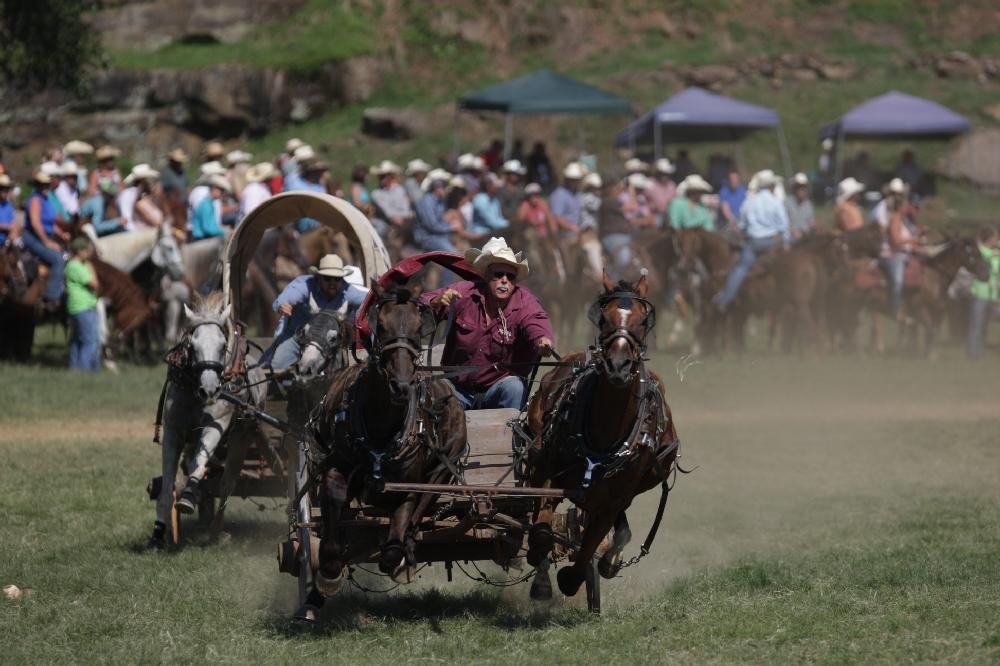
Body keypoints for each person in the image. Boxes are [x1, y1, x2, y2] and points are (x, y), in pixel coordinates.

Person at [420, 237, 554, 410]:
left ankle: (513, 436)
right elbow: (421, 302)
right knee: (435, 390)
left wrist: (543, 340)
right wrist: (435, 302)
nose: (504, 280)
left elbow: (536, 322)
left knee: (514, 387)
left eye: (510, 276)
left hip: (498, 389)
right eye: (498, 274)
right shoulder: (464, 292)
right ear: (486, 276)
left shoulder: (525, 301)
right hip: (457, 388)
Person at [264, 254, 367, 368]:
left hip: (329, 342)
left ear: (342, 280)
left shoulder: (348, 291)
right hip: (299, 337)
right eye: (327, 278)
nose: (332, 283)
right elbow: (285, 298)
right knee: (277, 365)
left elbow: (370, 298)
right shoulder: (305, 285)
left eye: (337, 279)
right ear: (318, 278)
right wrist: (283, 305)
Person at [715, 170, 790, 310]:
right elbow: (784, 226)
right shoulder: (776, 203)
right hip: (773, 242)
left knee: (741, 268)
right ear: (772, 186)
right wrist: (786, 243)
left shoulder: (749, 202)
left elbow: (742, 225)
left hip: (753, 242)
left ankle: (725, 299)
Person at [22, 170, 66, 308]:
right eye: (43, 185)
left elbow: (50, 223)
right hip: (34, 237)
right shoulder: (35, 199)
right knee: (58, 259)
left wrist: (61, 234)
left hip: (46, 235)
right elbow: (36, 223)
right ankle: (51, 296)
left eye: (47, 184)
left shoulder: (47, 200)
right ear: (37, 186)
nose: (46, 187)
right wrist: (47, 242)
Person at [65, 237, 101, 372]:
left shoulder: (75, 265)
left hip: (77, 307)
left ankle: (74, 369)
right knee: (90, 341)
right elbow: (94, 284)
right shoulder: (76, 266)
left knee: (77, 340)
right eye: (87, 250)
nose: (89, 253)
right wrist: (91, 268)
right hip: (83, 307)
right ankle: (86, 371)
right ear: (79, 251)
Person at [886, 199, 922, 318]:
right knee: (898, 282)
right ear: (900, 208)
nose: (907, 208)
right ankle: (894, 310)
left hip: (904, 254)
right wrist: (912, 240)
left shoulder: (903, 220)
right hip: (894, 255)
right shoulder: (895, 220)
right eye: (905, 206)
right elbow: (895, 241)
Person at [967, 226, 999, 359]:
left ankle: (978, 349)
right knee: (977, 323)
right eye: (996, 237)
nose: (998, 239)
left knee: (983, 324)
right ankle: (974, 352)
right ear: (990, 238)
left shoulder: (994, 252)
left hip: (992, 294)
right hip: (980, 293)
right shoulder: (980, 251)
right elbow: (982, 249)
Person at [370, 160, 414, 238]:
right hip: (387, 223)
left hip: (402, 220)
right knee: (380, 228)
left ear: (391, 176)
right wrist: (397, 218)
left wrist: (402, 217)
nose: (381, 178)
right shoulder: (376, 194)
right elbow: (387, 211)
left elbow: (405, 207)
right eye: (380, 176)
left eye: (384, 176)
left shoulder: (399, 189)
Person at [548, 163, 585, 236]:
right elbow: (556, 217)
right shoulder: (559, 194)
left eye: (577, 179)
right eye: (573, 179)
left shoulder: (578, 194)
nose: (575, 182)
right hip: (564, 234)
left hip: (578, 231)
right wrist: (571, 227)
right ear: (567, 179)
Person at [190, 175, 230, 240]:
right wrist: (225, 231)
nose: (222, 194)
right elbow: (208, 228)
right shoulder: (206, 205)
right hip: (201, 239)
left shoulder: (208, 203)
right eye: (221, 191)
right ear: (214, 188)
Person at [645, 158, 677, 227]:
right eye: (662, 173)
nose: (664, 175)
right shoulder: (649, 183)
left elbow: (675, 200)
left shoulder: (672, 185)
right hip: (654, 215)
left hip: (669, 215)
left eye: (666, 173)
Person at [785, 173, 815, 239]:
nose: (803, 190)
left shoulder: (808, 204)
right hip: (791, 237)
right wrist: (792, 231)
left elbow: (810, 221)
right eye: (800, 188)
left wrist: (813, 226)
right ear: (794, 189)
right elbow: (783, 223)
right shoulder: (787, 203)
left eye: (804, 188)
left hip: (805, 235)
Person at [717, 168, 747, 233]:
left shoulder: (743, 190)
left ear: (739, 179)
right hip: (727, 224)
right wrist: (734, 223)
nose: (733, 181)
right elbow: (725, 209)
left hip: (741, 222)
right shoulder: (724, 191)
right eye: (731, 179)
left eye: (735, 178)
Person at [0, 174, 17, 244]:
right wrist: (7, 227)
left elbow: (12, 222)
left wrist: (13, 232)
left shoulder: (9, 205)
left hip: (7, 240)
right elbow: (9, 226)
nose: (5, 191)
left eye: (7, 188)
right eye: (2, 188)